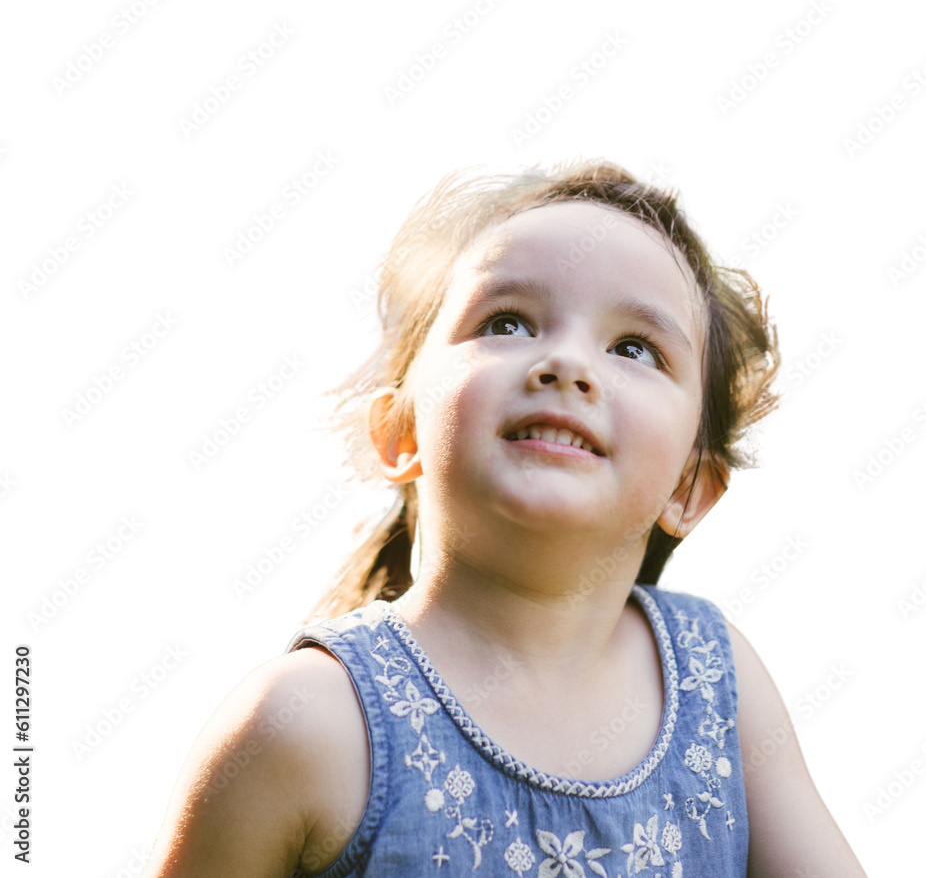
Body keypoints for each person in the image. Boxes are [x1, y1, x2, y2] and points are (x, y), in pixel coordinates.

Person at [143, 160, 868, 877]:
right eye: (509, 321)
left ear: (688, 486)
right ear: (400, 432)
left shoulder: (716, 685)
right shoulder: (303, 724)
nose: (565, 362)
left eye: (634, 348)